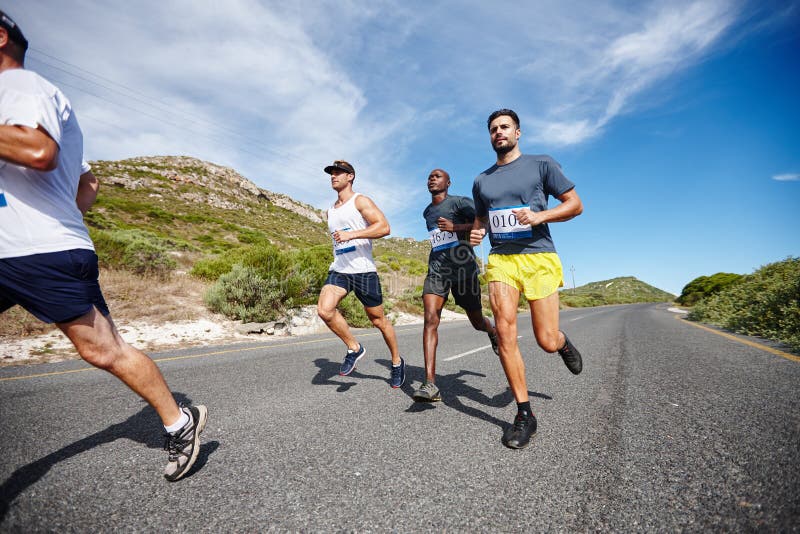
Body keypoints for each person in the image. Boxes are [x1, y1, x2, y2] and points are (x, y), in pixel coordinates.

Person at [0, 10, 207, 481]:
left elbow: (39, 152)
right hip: (14, 249)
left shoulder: (21, 87)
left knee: (103, 351)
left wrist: (59, 216)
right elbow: (87, 179)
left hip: (40, 251)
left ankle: (179, 421)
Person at [470, 108, 584, 449]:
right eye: (493, 129)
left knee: (545, 339)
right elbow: (481, 221)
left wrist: (540, 216)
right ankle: (524, 414)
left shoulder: (542, 164)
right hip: (501, 260)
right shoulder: (481, 181)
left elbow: (575, 204)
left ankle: (562, 343)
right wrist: (476, 235)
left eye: (504, 127)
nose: (498, 132)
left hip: (538, 257)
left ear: (517, 133)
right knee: (505, 332)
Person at [412, 168, 499, 402]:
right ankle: (430, 383)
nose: (432, 178)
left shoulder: (460, 202)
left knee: (477, 321)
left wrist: (456, 228)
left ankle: (492, 331)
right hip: (437, 271)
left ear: (448, 182)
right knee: (430, 319)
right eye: (429, 176)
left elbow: (483, 223)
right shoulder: (427, 212)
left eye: (437, 176)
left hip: (464, 270)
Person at [317, 160, 405, 387]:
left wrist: (353, 235)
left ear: (351, 177)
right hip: (340, 269)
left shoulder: (361, 200)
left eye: (338, 173)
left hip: (364, 271)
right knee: (324, 310)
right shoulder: (330, 211)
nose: (333, 176)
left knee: (378, 320)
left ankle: (396, 362)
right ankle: (354, 347)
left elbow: (384, 227)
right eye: (331, 173)